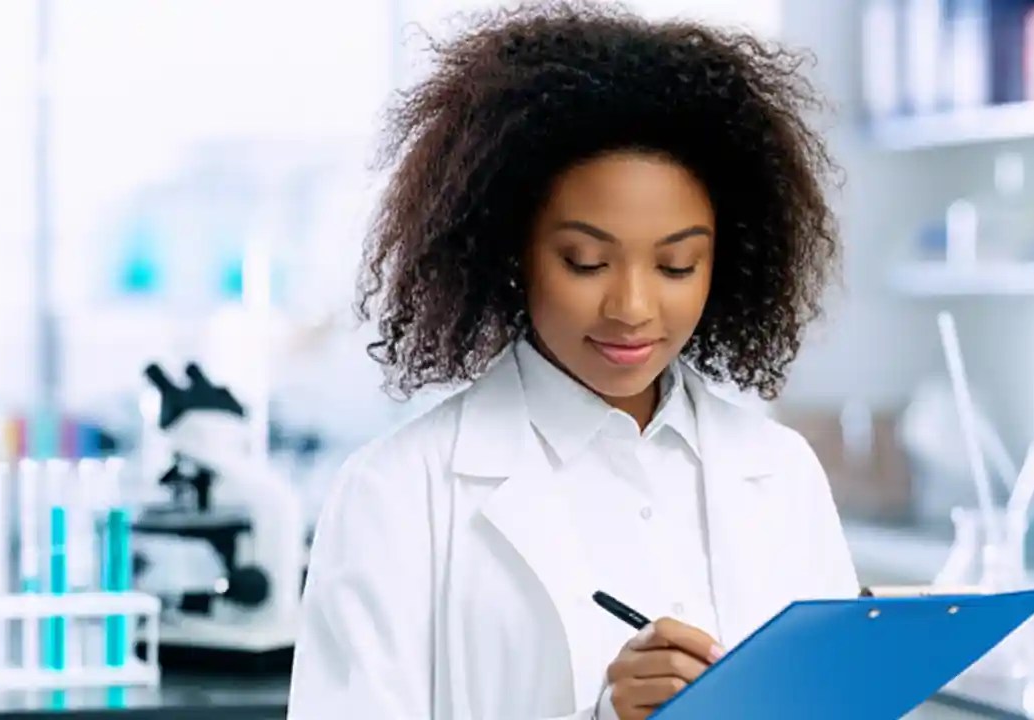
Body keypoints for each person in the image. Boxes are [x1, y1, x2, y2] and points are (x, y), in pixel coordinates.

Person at [289, 3, 858, 718]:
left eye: (677, 266)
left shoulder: (781, 473)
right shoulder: (398, 494)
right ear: (510, 249)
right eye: (585, 261)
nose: (632, 307)